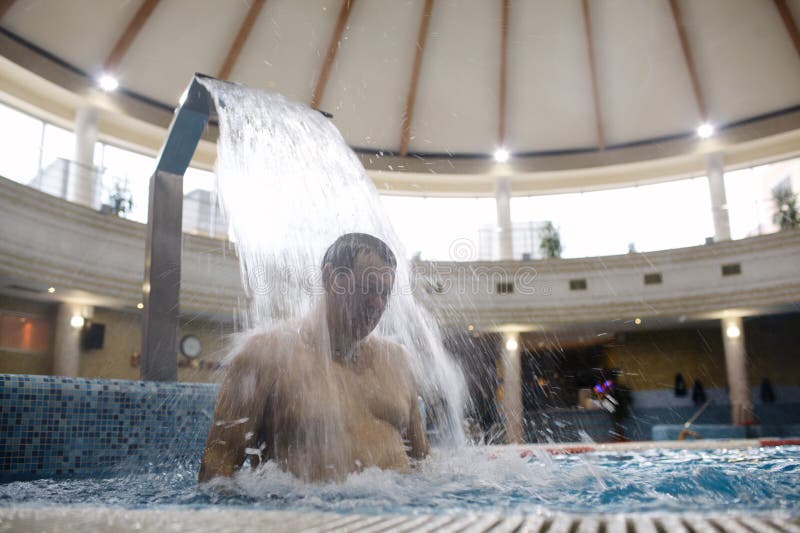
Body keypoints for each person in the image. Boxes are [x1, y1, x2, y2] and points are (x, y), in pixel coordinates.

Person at [198, 233, 429, 483]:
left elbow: (423, 465)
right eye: (367, 288)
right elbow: (216, 469)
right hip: (310, 517)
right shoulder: (264, 357)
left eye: (385, 293)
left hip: (400, 514)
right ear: (330, 278)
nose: (377, 303)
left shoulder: (397, 361)